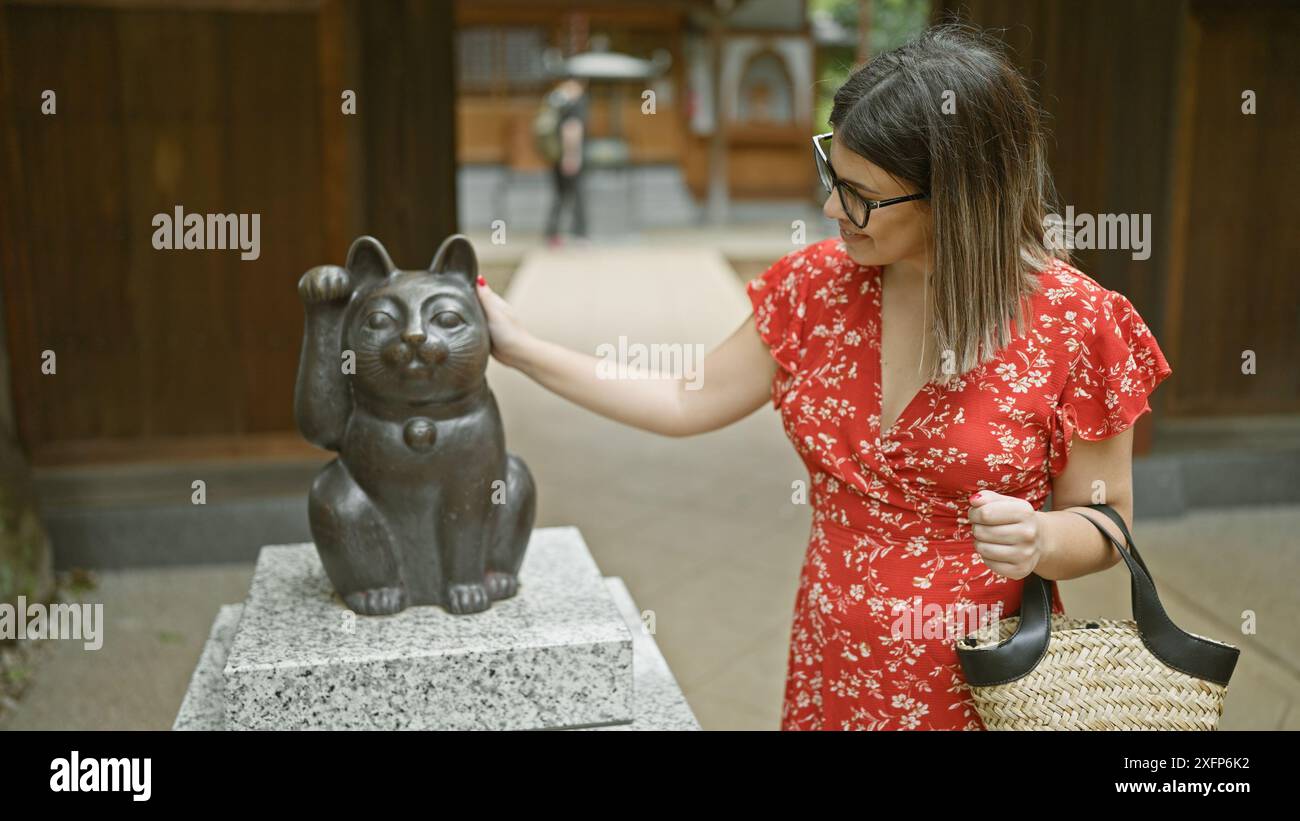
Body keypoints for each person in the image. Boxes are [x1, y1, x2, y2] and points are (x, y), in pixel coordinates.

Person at [474, 24, 1171, 730]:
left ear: (956, 198)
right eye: (830, 174)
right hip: (832, 660)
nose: (832, 208)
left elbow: (1108, 521)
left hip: (983, 680)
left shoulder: (1077, 322)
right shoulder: (815, 289)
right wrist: (523, 348)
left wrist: (1042, 540)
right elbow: (686, 395)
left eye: (860, 194)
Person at [543, 77, 589, 245]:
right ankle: (579, 235)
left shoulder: (557, 100)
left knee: (560, 196)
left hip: (557, 156)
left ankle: (552, 234)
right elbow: (572, 130)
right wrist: (571, 157)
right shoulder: (575, 103)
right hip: (568, 157)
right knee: (577, 196)